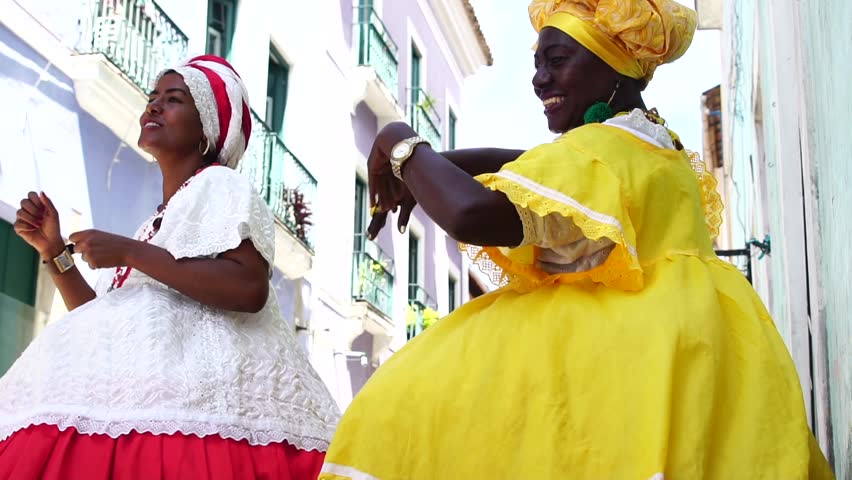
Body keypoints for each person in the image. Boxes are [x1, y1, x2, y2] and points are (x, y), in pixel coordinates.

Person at [319, 1, 835, 479]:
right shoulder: (650, 143)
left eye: (557, 59)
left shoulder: (600, 151)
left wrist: (397, 141)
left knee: (402, 412)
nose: (540, 79)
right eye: (537, 63)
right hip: (693, 352)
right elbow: (525, 162)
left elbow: (471, 215)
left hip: (619, 365)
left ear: (613, 63)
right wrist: (429, 170)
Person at [0, 55, 340, 479]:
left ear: (208, 130)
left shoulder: (221, 184)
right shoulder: (156, 223)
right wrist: (53, 250)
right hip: (138, 410)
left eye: (174, 99)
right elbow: (99, 317)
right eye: (153, 97)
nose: (154, 106)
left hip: (194, 415)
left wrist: (129, 252)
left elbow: (249, 287)